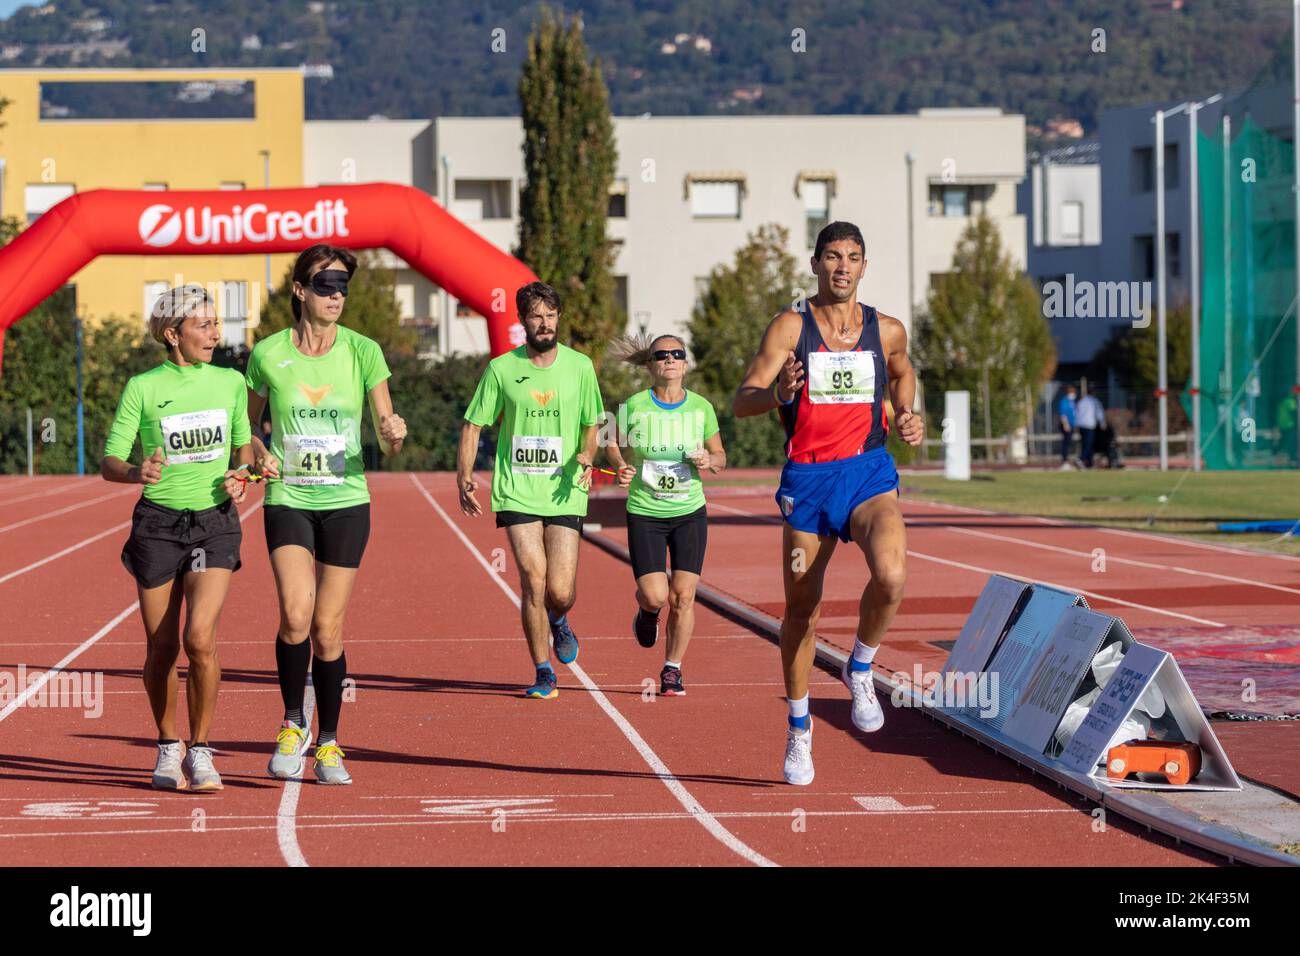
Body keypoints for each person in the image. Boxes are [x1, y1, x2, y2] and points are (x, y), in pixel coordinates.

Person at [732, 221, 925, 786]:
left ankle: (859, 665)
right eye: (833, 257)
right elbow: (743, 400)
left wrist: (907, 411)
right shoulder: (790, 327)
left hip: (867, 473)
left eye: (853, 258)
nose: (843, 267)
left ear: (865, 266)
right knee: (802, 609)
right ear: (815, 263)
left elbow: (903, 371)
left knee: (890, 575)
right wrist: (780, 394)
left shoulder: (886, 329)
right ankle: (799, 728)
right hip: (808, 483)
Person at [246, 245, 407, 785]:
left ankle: (330, 743)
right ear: (300, 290)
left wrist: (391, 433)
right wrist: (257, 451)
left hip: (346, 502)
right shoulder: (268, 353)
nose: (336, 295)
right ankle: (293, 723)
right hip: (289, 497)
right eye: (325, 285)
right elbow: (246, 428)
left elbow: (389, 430)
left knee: (327, 627)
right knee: (295, 613)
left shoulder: (364, 351)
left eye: (343, 287)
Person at [102, 285, 253, 792]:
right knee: (162, 646)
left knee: (200, 640)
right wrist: (134, 472)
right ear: (173, 334)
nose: (216, 333)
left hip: (214, 521)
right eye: (204, 325)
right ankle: (168, 747)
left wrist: (244, 473)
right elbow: (110, 460)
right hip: (158, 525)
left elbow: (244, 448)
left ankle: (203, 750)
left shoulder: (230, 383)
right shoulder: (142, 387)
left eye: (216, 324)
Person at [457, 281, 604, 700]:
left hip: (565, 490)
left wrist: (587, 453)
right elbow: (474, 425)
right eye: (537, 316)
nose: (545, 323)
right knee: (532, 579)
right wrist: (464, 475)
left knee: (561, 590)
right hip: (517, 489)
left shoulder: (579, 367)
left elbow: (593, 421)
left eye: (551, 316)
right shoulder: (502, 369)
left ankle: (559, 621)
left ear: (559, 319)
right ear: (523, 322)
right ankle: (543, 671)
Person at [604, 333, 726, 696]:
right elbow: (608, 438)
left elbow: (721, 456)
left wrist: (709, 460)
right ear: (651, 365)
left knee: (684, 596)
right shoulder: (633, 406)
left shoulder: (701, 407)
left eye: (677, 354)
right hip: (645, 513)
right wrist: (620, 464)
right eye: (662, 355)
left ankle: (672, 668)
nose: (670, 359)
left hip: (690, 511)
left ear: (685, 363)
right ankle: (646, 612)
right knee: (657, 595)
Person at [1075, 390, 1104, 468]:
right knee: (1088, 444)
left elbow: (1077, 413)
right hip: (1090, 426)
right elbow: (1099, 413)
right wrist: (1102, 423)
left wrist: (1076, 425)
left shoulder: (1082, 401)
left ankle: (1089, 463)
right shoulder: (1094, 401)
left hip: (1081, 425)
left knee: (1086, 444)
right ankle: (1081, 459)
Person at [1057, 384, 1078, 470]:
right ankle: (1064, 462)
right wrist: (1066, 424)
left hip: (1072, 425)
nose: (1073, 394)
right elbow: (1063, 414)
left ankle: (1067, 461)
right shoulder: (1064, 401)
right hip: (1066, 425)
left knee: (1068, 443)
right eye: (1072, 392)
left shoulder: (1072, 401)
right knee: (1065, 443)